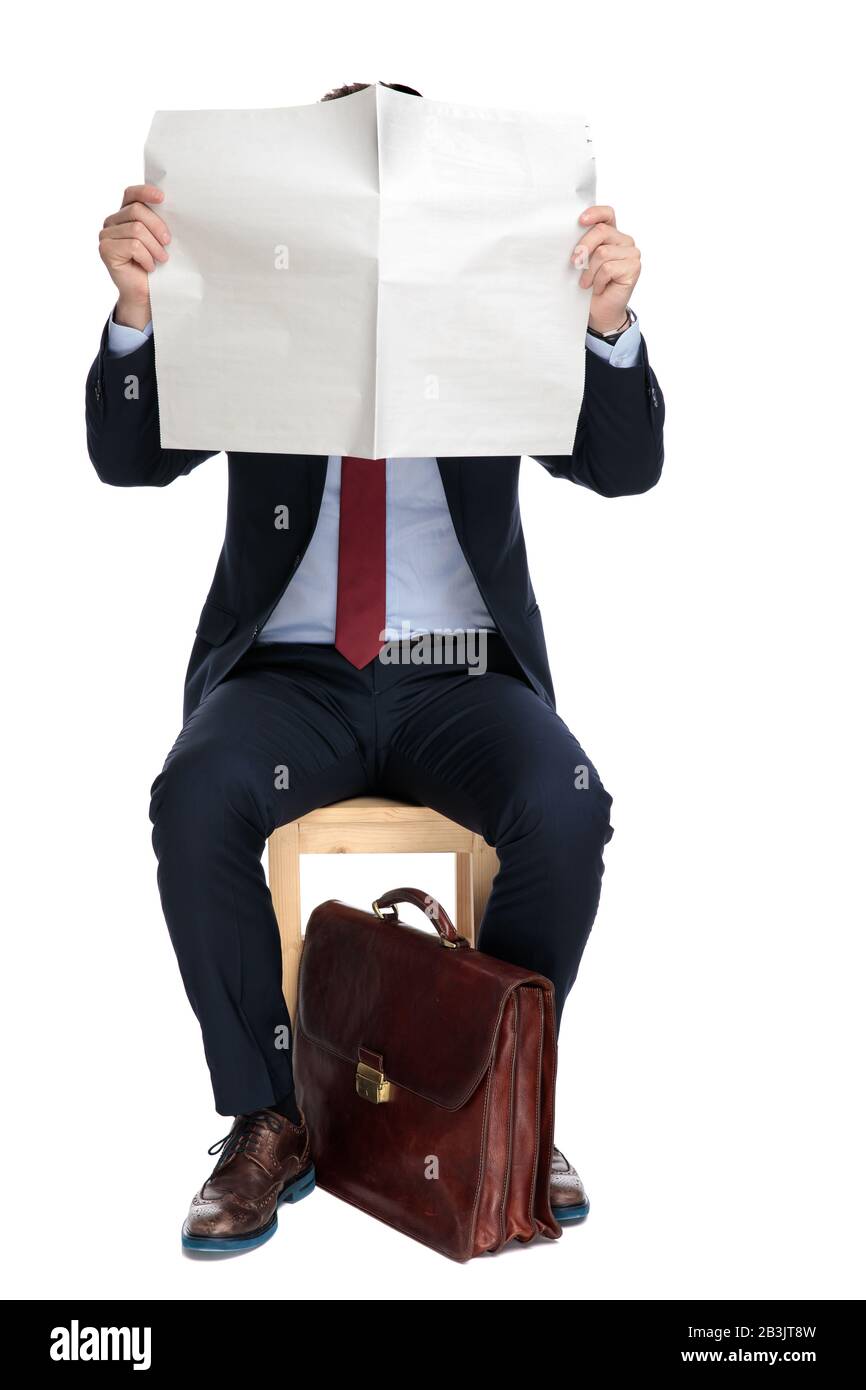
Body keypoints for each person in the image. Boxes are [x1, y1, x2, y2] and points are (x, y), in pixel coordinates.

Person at [86, 81, 664, 1254]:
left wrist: (605, 321)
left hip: (460, 675)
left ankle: (505, 1088)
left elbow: (624, 466)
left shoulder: (503, 305)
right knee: (192, 796)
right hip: (288, 674)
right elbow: (129, 460)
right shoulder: (252, 300)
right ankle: (268, 1113)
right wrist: (139, 304)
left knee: (567, 804)